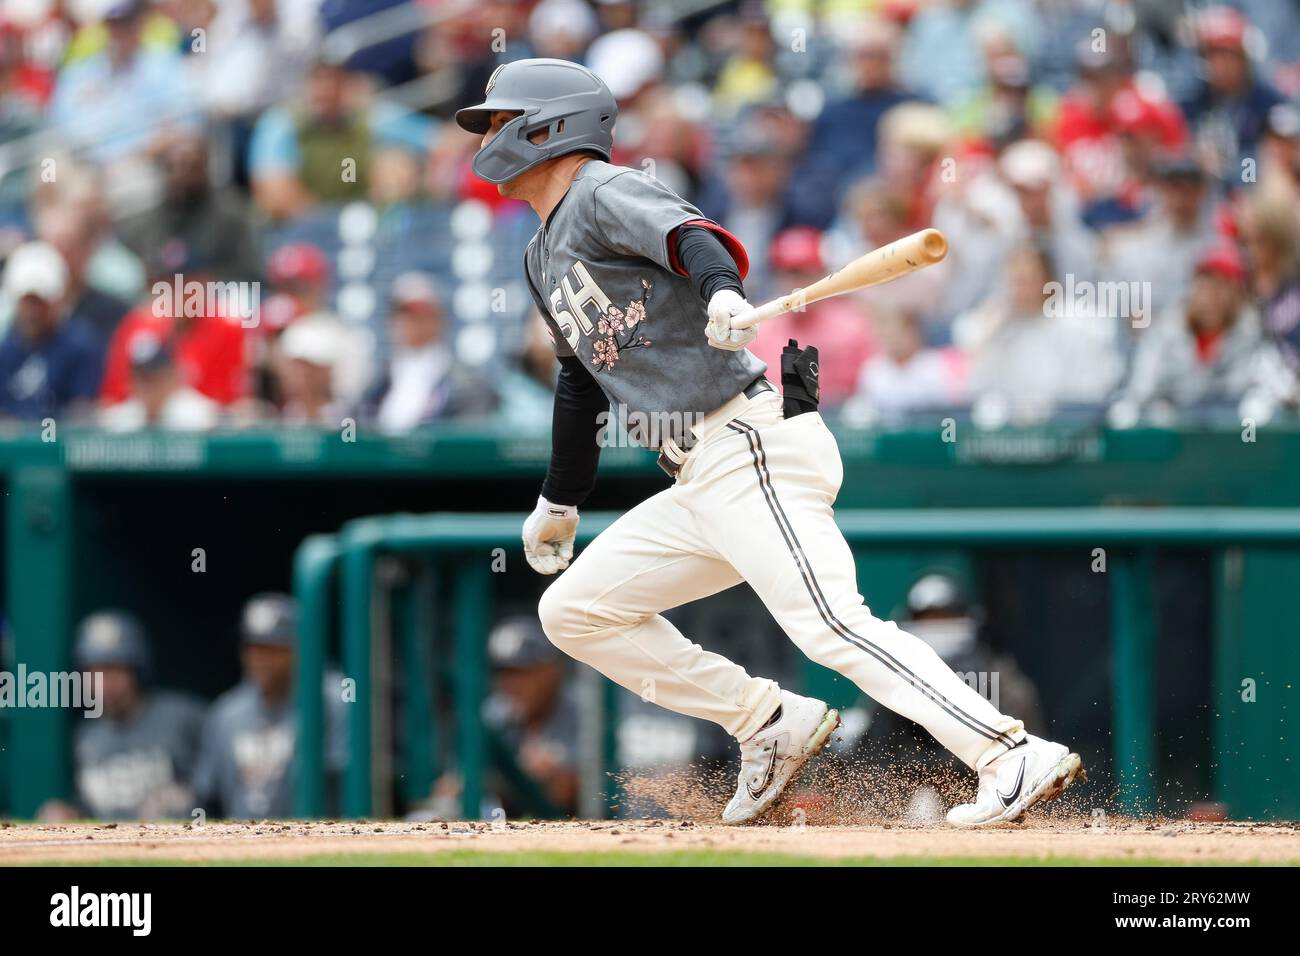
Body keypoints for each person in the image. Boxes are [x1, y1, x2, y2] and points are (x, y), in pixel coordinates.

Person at [455, 57, 1083, 827]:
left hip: (748, 438)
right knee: (576, 611)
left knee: (831, 623)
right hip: (698, 472)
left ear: (546, 125)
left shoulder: (601, 189)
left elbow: (695, 237)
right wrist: (560, 497)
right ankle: (766, 720)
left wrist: (720, 290)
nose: (487, 134)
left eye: (497, 117)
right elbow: (581, 380)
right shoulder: (536, 253)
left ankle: (1008, 753)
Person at [37, 611, 206, 821]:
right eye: (94, 672)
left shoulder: (183, 717)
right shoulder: (86, 737)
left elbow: (220, 787)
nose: (104, 684)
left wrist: (188, 798)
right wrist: (70, 813)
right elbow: (92, 809)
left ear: (136, 670)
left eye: (113, 671)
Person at [192, 593, 347, 819]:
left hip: (316, 842)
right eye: (251, 647)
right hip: (243, 844)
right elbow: (207, 792)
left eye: (270, 648)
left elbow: (344, 783)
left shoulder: (333, 699)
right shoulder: (227, 712)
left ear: (299, 648)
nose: (257, 658)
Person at [362, 272, 498, 431]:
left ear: (439, 319)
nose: (409, 323)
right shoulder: (381, 378)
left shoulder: (466, 382)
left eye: (420, 314)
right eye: (402, 313)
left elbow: (468, 439)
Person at [0, 241, 103, 421]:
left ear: (59, 299)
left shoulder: (80, 346)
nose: (34, 312)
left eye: (41, 302)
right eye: (28, 301)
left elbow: (82, 411)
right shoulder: (6, 348)